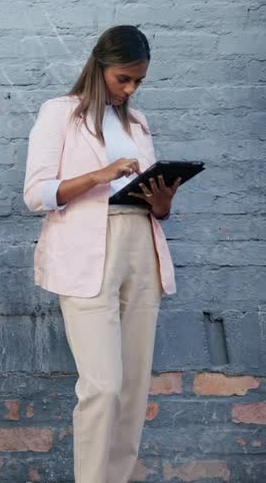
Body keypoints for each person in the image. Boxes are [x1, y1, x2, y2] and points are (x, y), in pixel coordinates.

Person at [23, 25, 177, 483]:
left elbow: (154, 202)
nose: (129, 89)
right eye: (122, 79)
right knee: (102, 388)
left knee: (132, 390)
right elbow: (36, 195)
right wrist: (100, 174)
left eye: (138, 82)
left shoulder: (138, 123)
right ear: (100, 67)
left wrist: (162, 203)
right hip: (87, 248)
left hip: (141, 245)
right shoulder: (60, 114)